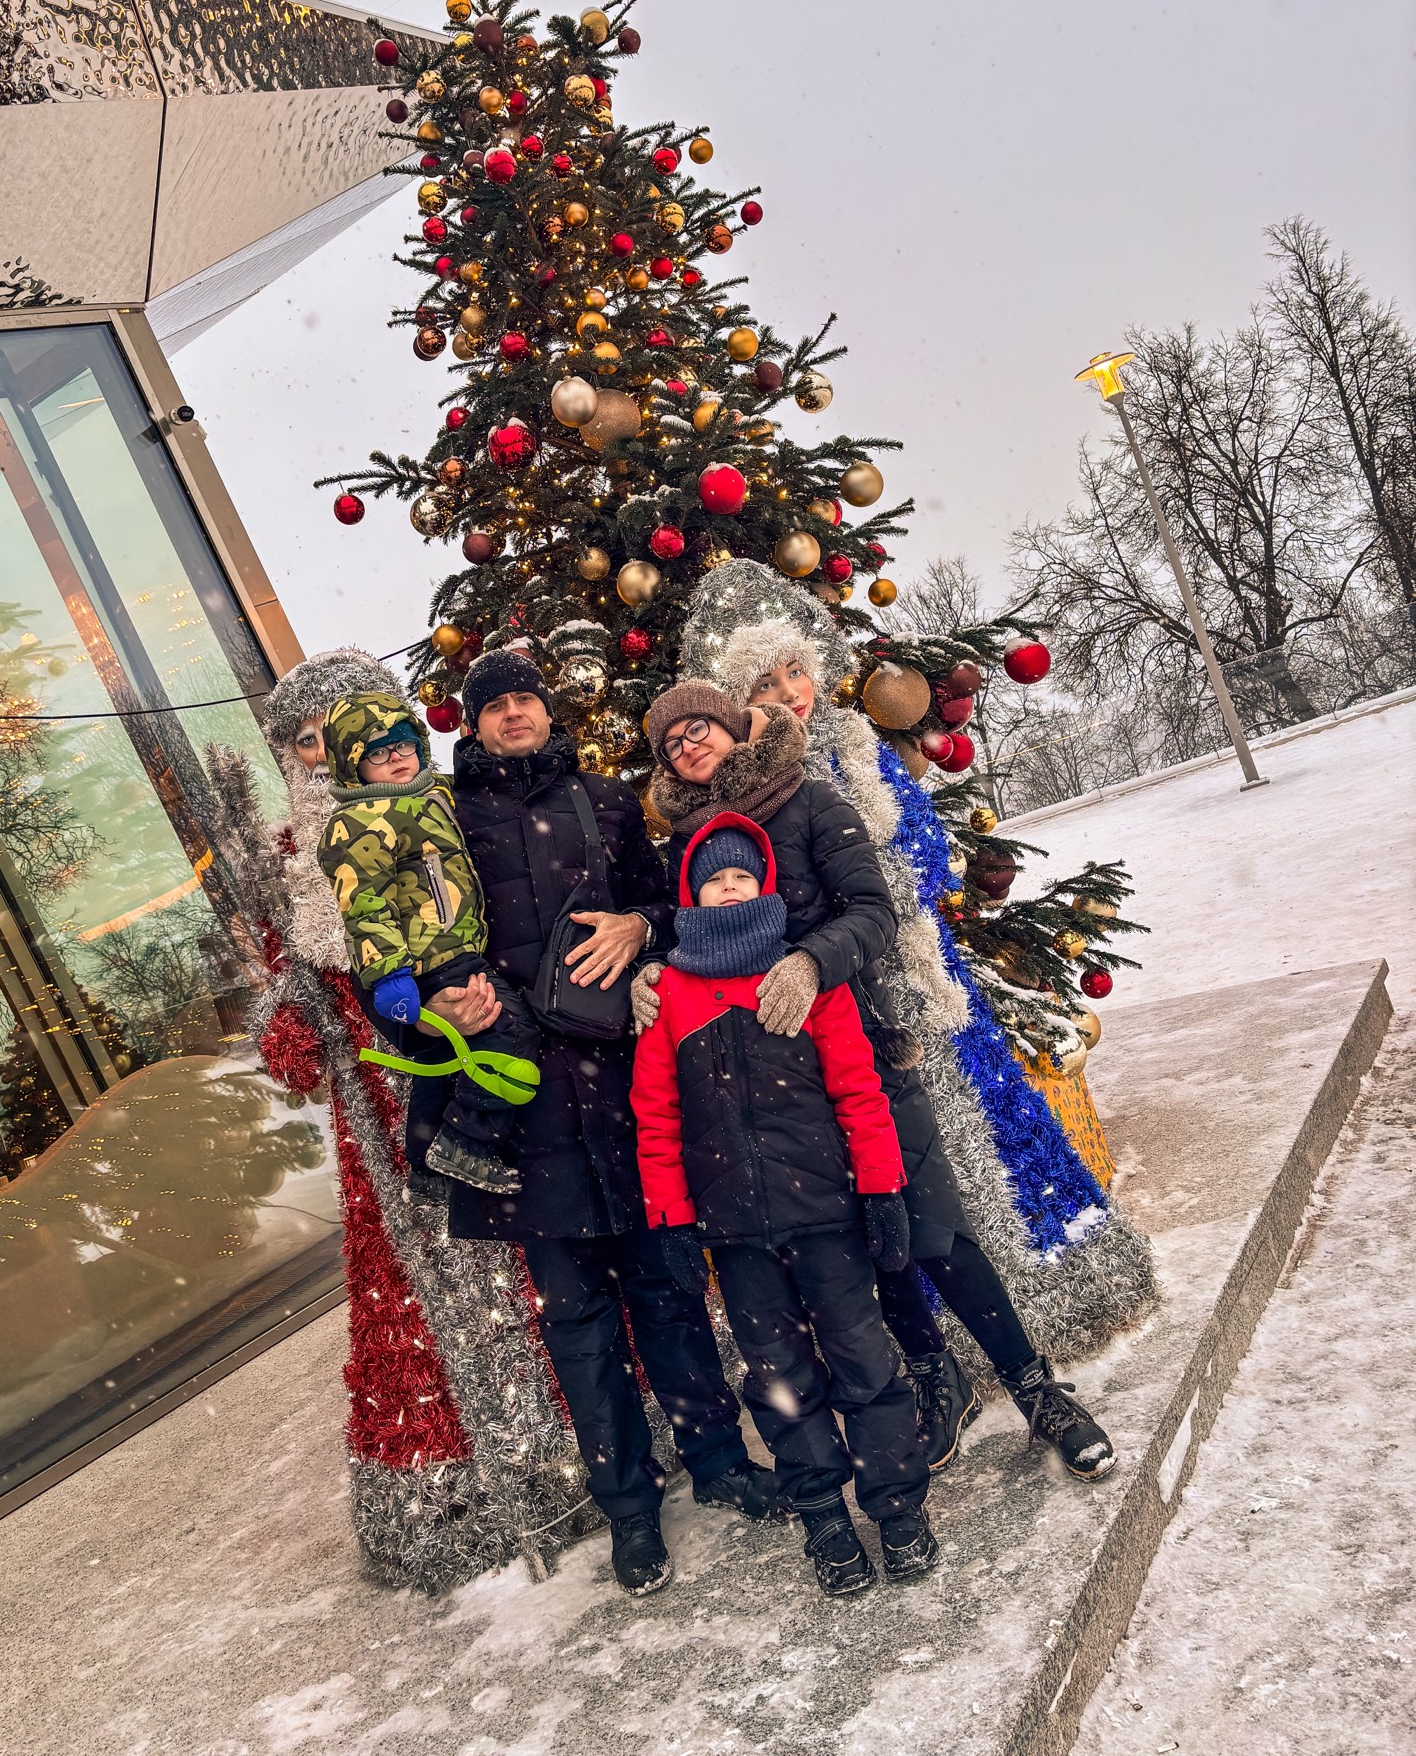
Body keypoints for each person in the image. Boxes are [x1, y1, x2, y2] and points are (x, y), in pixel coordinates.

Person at [666, 565, 1155, 1463]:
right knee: (863, 1233)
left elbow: (880, 900)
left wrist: (814, 961)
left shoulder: (819, 784)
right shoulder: (707, 817)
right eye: (761, 684)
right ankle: (939, 1373)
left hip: (878, 1033)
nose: (784, 697)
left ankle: (1035, 1387)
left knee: (930, 1221)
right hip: (790, 1061)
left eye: (791, 676)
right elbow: (694, 917)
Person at [214, 649, 580, 1593]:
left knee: (537, 1256)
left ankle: (583, 1444)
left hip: (486, 1058)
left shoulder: (446, 809)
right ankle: (449, 1492)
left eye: (364, 722)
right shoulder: (292, 867)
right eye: (307, 740)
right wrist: (290, 1018)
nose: (331, 751)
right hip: (381, 1110)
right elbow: (280, 989)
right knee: (418, 1292)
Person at [448, 648, 777, 1595]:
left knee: (669, 1286)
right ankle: (630, 1511)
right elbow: (425, 938)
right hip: (529, 1108)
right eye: (497, 704)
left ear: (548, 710)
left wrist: (640, 923)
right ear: (472, 724)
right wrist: (449, 1002)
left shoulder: (607, 800)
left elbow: (677, 906)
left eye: (527, 698)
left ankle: (717, 1463)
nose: (516, 714)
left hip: (630, 1089)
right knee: (579, 1325)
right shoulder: (452, 821)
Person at [632, 810, 939, 1597]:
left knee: (866, 1361)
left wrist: (881, 1189)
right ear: (691, 895)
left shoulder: (805, 979)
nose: (728, 886)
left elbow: (859, 1094)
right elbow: (657, 1122)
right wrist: (670, 1218)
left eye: (740, 874)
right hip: (734, 1234)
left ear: (762, 883)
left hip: (827, 1215)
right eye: (713, 878)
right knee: (781, 1380)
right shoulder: (668, 996)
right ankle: (825, 1519)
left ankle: (897, 1507)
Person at [318, 689, 538, 1195]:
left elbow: (481, 775)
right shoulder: (359, 822)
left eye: (404, 744)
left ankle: (425, 1161)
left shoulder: (433, 793)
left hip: (460, 947)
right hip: (430, 957)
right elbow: (364, 904)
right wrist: (391, 976)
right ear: (354, 766)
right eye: (377, 751)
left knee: (445, 1056)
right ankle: (466, 1139)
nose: (396, 757)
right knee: (509, 1030)